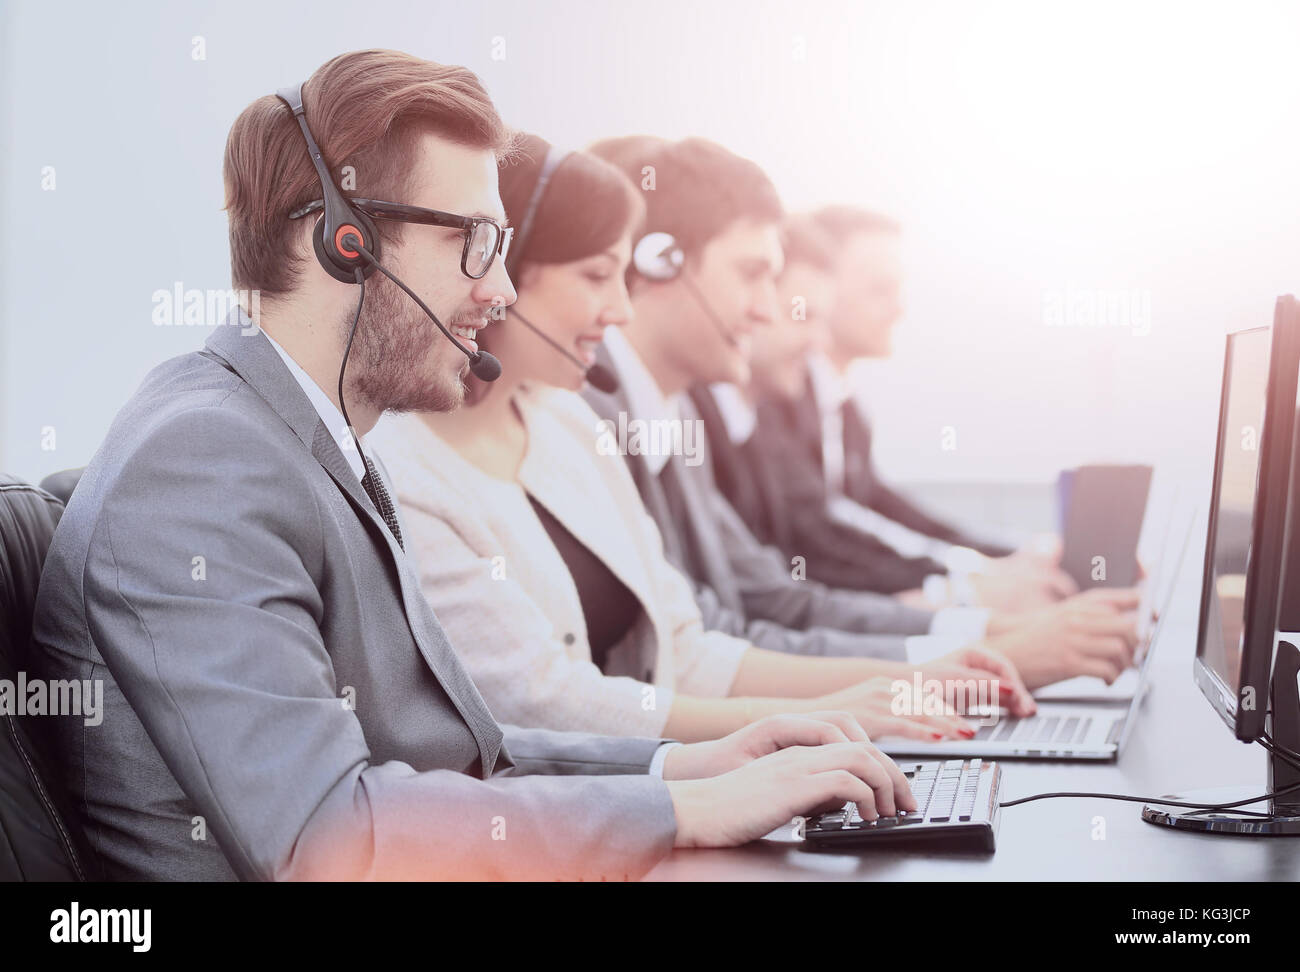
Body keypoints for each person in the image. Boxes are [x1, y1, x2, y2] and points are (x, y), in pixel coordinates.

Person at [28, 50, 916, 882]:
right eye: (476, 243)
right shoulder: (204, 462)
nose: (502, 289)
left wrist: (681, 765)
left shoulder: (303, 441)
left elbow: (451, 757)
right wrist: (678, 810)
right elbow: (328, 835)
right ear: (342, 243)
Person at [586, 138, 1141, 690]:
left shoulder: (674, 415)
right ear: (658, 262)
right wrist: (975, 654)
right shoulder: (600, 417)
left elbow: (777, 600)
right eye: (752, 274)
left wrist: (985, 629)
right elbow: (707, 646)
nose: (768, 308)